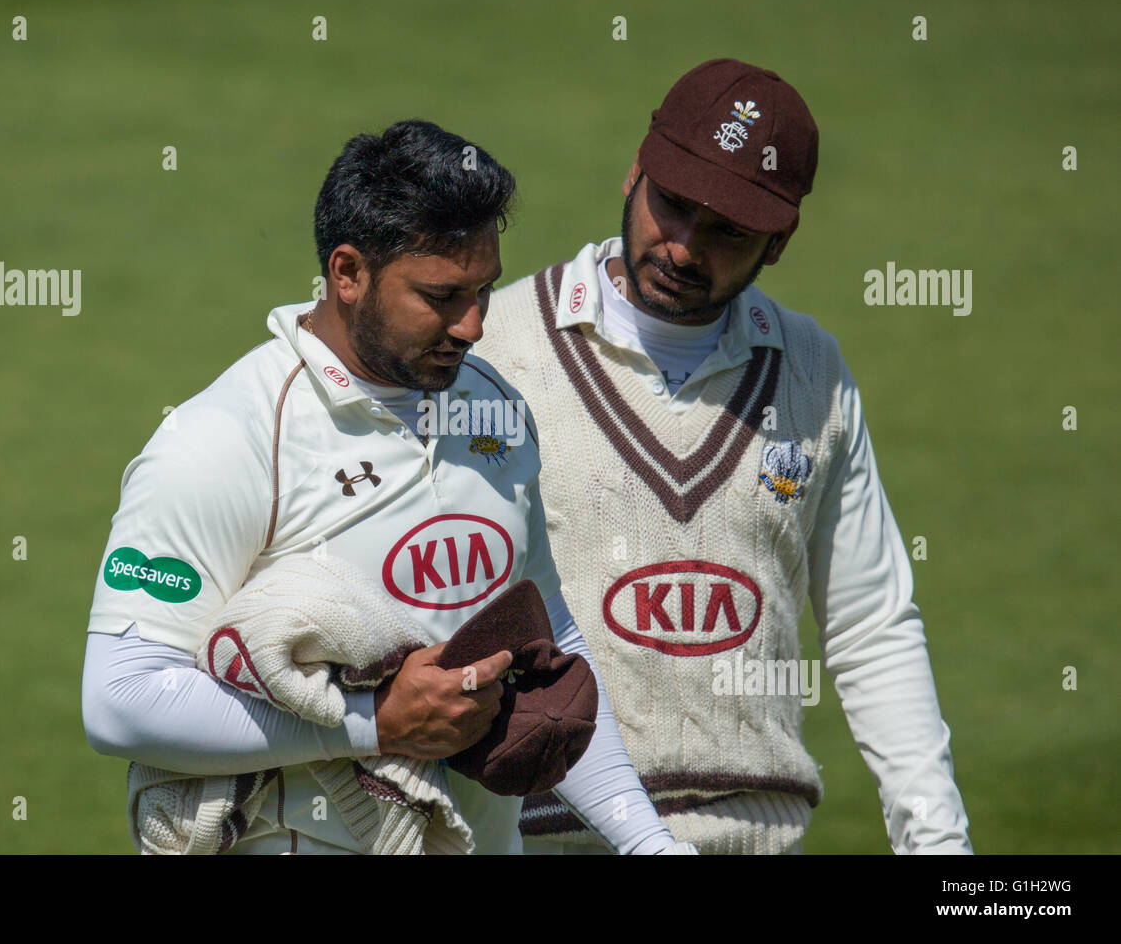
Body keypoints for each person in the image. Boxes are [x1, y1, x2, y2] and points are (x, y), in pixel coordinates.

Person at [81, 119, 689, 854]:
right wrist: (373, 722)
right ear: (347, 272)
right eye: (439, 296)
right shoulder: (222, 440)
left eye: (485, 291)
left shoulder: (494, 410)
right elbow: (121, 699)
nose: (471, 326)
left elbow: (547, 643)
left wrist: (648, 843)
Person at [475, 59, 973, 854]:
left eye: (727, 232)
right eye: (672, 206)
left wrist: (941, 848)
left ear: (780, 241)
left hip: (754, 837)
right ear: (635, 169)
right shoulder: (493, 351)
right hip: (545, 837)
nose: (682, 248)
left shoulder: (811, 370)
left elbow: (871, 624)